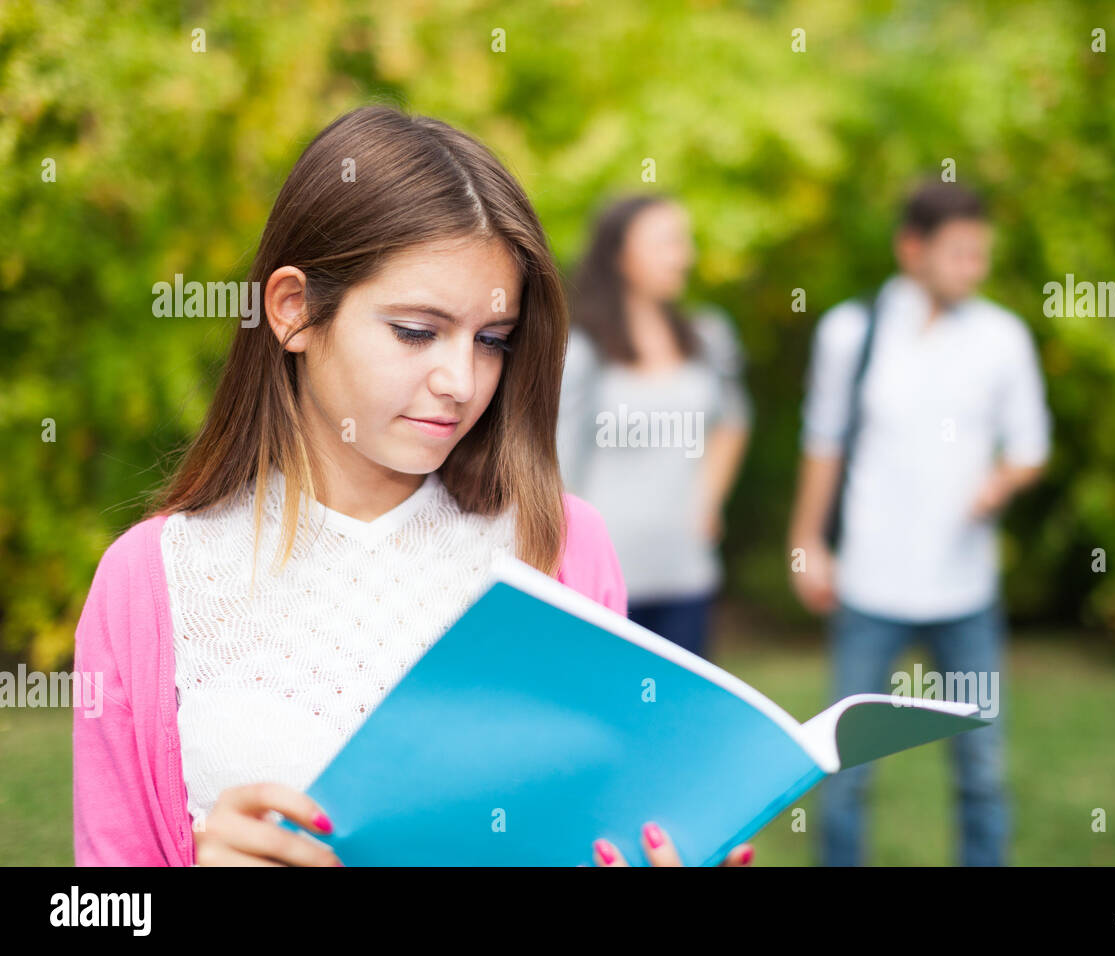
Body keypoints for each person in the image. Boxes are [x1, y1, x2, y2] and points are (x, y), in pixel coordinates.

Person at [71, 106, 753, 869]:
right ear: (293, 311)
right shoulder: (148, 582)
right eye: (416, 331)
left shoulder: (562, 545)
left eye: (492, 341)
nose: (460, 382)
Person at [787, 181, 1051, 866]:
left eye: (981, 254)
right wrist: (807, 540)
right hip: (869, 587)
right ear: (912, 250)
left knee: (982, 771)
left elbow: (1030, 448)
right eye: (961, 253)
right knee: (842, 772)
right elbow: (824, 442)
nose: (976, 267)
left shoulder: (1003, 337)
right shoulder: (852, 331)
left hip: (966, 592)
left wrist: (1000, 482)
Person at [557, 195, 752, 661]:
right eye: (667, 242)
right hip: (602, 576)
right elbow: (556, 457)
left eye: (684, 242)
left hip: (686, 569)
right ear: (621, 256)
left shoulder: (708, 335)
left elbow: (733, 420)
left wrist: (708, 501)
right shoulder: (581, 348)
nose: (683, 256)